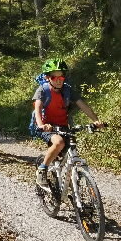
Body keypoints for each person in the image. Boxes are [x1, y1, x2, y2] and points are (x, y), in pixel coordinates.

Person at [30, 58, 105, 186]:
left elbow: (83, 105)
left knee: (69, 150)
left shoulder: (67, 90)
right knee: (58, 142)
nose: (59, 80)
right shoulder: (43, 90)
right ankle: (42, 170)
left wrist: (96, 120)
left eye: (62, 77)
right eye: (55, 77)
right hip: (47, 126)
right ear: (48, 78)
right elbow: (37, 108)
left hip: (63, 126)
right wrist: (42, 125)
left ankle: (64, 180)